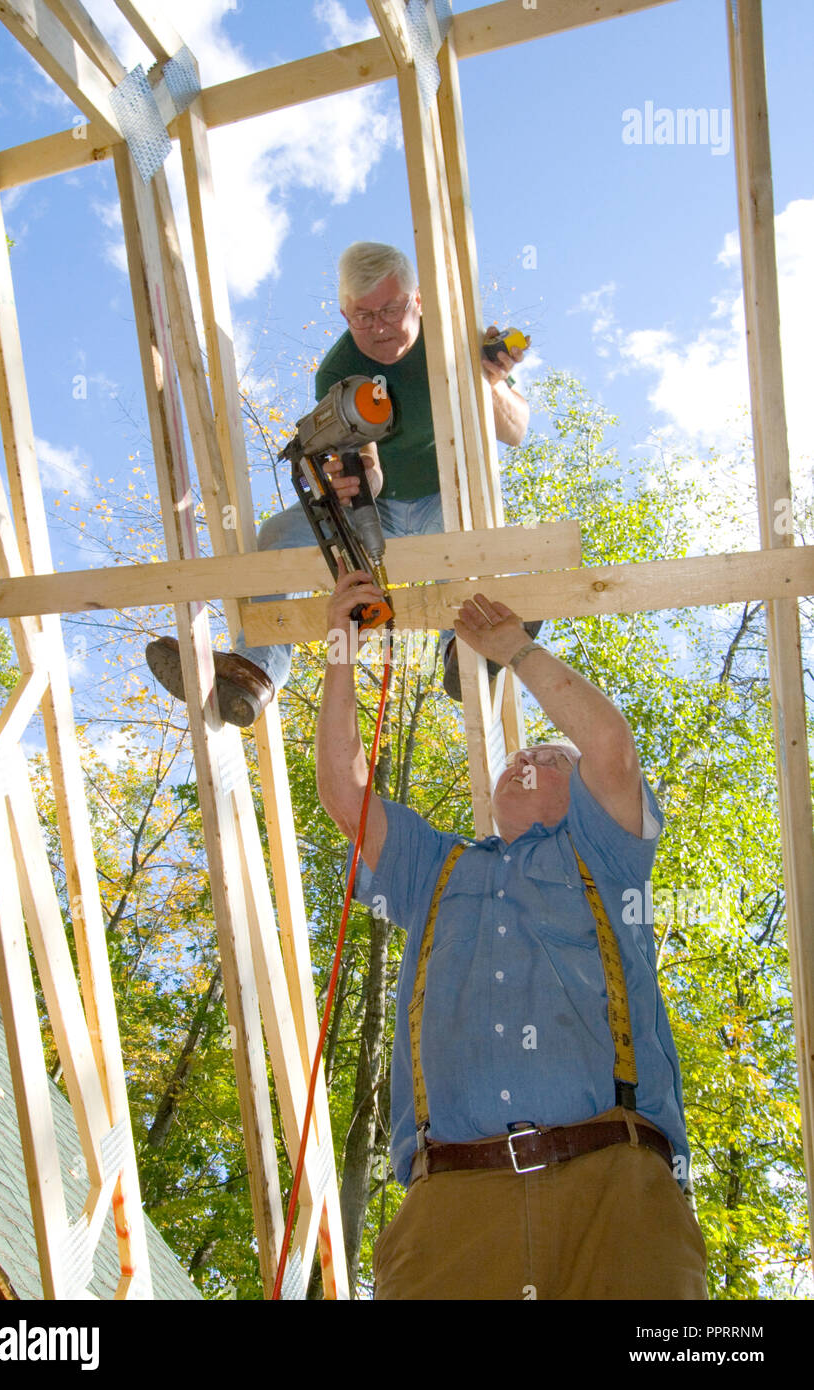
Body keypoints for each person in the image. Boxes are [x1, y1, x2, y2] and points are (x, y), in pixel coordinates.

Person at [315, 565, 709, 1301]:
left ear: (582, 794)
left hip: (615, 1191)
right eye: (517, 757)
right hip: (453, 1205)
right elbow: (344, 791)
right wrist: (340, 646)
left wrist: (514, 649)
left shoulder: (604, 855)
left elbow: (612, 749)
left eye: (550, 758)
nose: (525, 757)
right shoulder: (435, 867)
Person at [145, 241, 535, 724]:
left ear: (417, 300)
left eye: (391, 309)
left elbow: (515, 430)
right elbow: (367, 460)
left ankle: (469, 645)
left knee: (475, 525)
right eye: (362, 316)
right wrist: (358, 481)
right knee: (274, 539)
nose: (379, 328)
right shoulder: (339, 368)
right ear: (344, 312)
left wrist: (486, 380)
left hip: (447, 497)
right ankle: (255, 672)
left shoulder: (456, 338)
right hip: (380, 512)